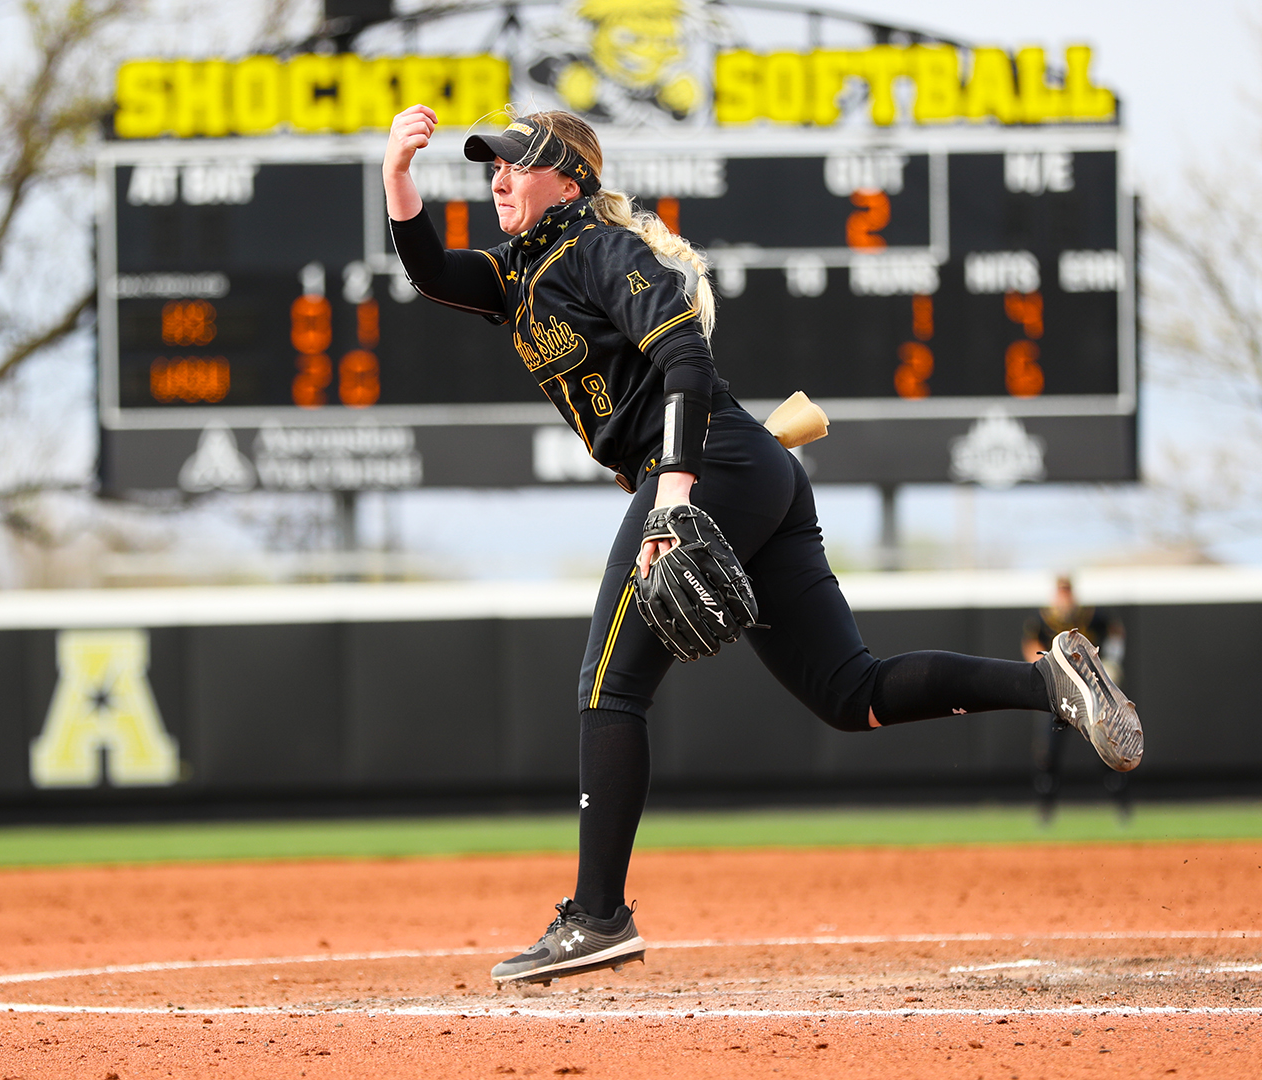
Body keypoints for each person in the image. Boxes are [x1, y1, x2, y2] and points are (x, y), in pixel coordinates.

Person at [381, 106, 1144, 986]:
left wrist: (674, 492)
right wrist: (397, 174)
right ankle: (1049, 683)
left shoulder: (597, 248)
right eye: (492, 167)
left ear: (570, 179)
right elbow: (430, 270)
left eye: (517, 162)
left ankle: (597, 916)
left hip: (705, 465)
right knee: (850, 692)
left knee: (608, 687)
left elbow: (686, 359)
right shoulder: (519, 270)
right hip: (748, 467)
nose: (499, 178)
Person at [1021, 574, 1132, 824]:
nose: (1064, 597)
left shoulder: (1091, 615)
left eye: (1067, 592)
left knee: (1108, 747)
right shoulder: (1042, 618)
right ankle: (1045, 811)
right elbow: (1030, 646)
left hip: (1090, 692)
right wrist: (1043, 671)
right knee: (1048, 753)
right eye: (1061, 592)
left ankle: (1122, 808)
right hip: (1058, 693)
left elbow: (1116, 631)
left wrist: (1112, 661)